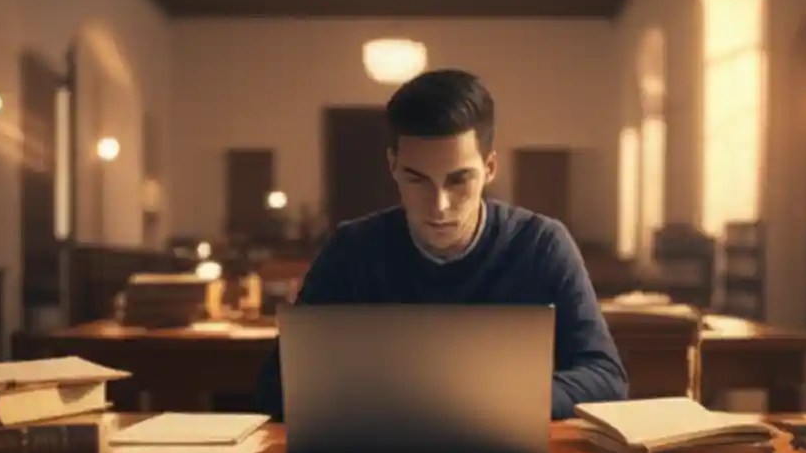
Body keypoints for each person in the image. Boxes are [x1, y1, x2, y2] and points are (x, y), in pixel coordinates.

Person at [254, 68, 627, 420]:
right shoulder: (352, 248)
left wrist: (498, 399)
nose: (439, 206)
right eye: (417, 180)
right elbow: (277, 384)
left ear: (490, 168)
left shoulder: (542, 244)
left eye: (458, 180)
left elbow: (606, 378)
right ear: (393, 166)